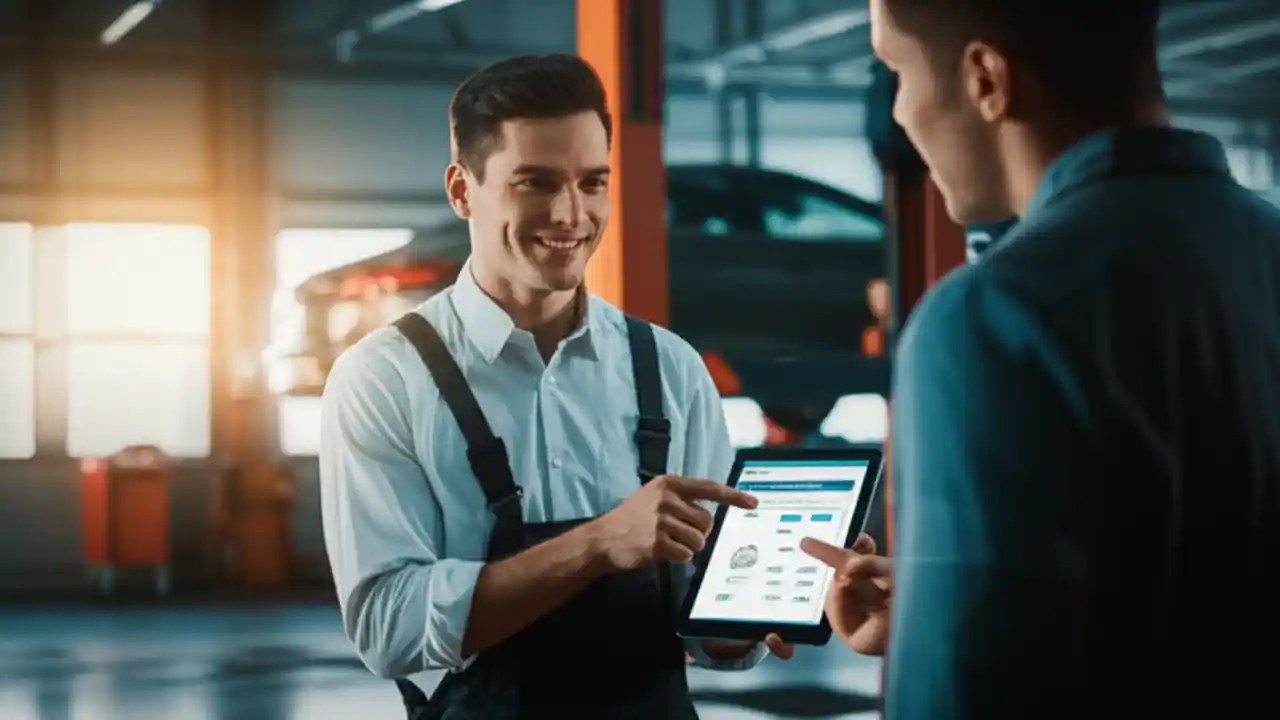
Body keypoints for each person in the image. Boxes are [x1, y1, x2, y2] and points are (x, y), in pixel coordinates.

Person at [799, 0, 1280, 717]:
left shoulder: (992, 319)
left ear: (986, 79)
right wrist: (947, 600)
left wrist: (955, 641)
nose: (899, 113)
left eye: (897, 72)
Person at [318, 53, 788, 719]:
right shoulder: (384, 380)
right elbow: (387, 627)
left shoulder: (670, 369)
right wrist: (598, 545)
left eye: (593, 183)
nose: (571, 214)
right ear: (461, 190)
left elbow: (701, 619)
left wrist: (763, 607)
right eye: (535, 183)